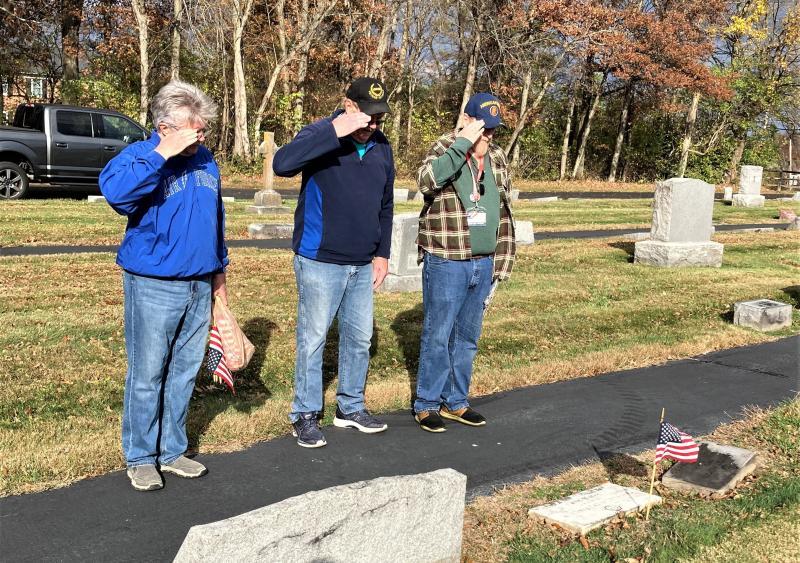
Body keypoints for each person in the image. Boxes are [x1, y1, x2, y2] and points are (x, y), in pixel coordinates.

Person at [99, 80, 228, 491]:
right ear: (165, 126)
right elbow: (116, 195)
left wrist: (220, 275)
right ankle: (140, 456)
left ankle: (172, 451)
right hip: (153, 285)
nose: (201, 136)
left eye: (203, 129)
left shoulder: (206, 160)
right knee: (147, 373)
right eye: (194, 128)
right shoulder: (137, 157)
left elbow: (216, 221)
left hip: (199, 283)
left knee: (185, 372)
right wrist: (162, 154)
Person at [273, 77, 394, 448]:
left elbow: (386, 204)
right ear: (349, 105)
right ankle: (305, 415)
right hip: (320, 259)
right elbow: (282, 164)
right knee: (313, 339)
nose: (372, 126)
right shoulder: (321, 134)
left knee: (359, 338)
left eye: (379, 119)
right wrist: (336, 129)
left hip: (363, 263)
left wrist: (382, 254)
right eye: (366, 117)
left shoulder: (382, 146)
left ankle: (350, 407)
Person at [413, 93, 517, 433]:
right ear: (468, 119)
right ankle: (427, 403)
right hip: (447, 259)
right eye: (483, 128)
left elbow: (503, 211)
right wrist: (462, 145)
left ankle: (456, 401)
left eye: (493, 131)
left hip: (483, 261)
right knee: (438, 334)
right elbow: (426, 182)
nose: (488, 136)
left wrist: (502, 261)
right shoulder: (445, 147)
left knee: (467, 337)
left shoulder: (498, 158)